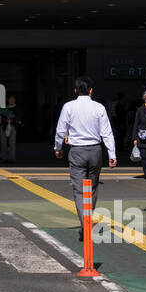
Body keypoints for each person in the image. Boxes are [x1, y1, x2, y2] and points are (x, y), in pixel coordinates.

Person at [53, 76, 117, 239]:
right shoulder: (99, 108)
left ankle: (85, 224)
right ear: (91, 91)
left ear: (75, 90)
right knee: (93, 188)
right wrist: (112, 154)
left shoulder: (68, 107)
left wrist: (58, 147)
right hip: (95, 151)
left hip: (77, 151)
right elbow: (107, 132)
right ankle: (87, 221)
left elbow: (61, 130)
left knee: (79, 191)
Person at [0, 94, 20, 162]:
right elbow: (1, 116)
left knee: (12, 143)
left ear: (15, 100)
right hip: (4, 126)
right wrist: (4, 120)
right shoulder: (4, 107)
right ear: (8, 100)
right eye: (10, 99)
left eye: (13, 99)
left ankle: (11, 158)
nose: (11, 100)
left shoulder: (17, 108)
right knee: (3, 143)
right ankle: (4, 157)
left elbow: (18, 117)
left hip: (13, 126)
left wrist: (12, 120)